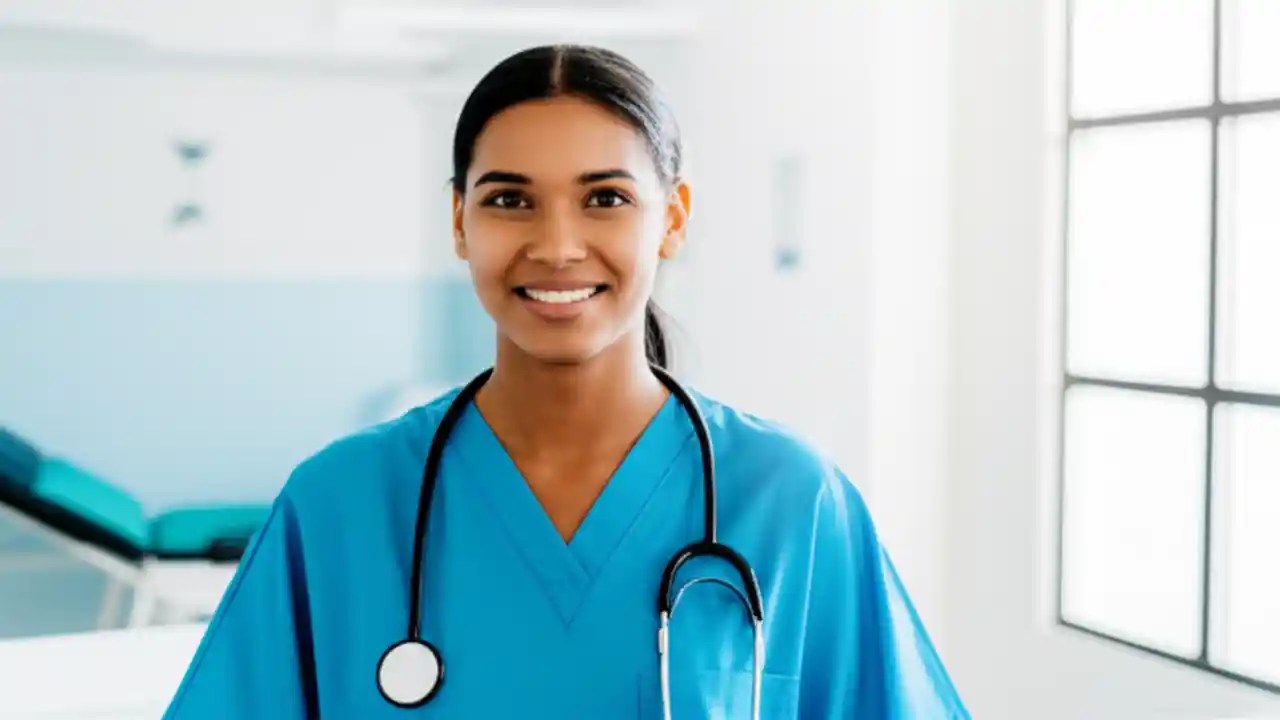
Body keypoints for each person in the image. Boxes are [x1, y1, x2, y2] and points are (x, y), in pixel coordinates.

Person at [161, 44, 968, 719]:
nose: (556, 245)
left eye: (606, 198)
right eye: (510, 198)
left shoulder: (792, 502)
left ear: (673, 219)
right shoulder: (340, 504)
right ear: (458, 222)